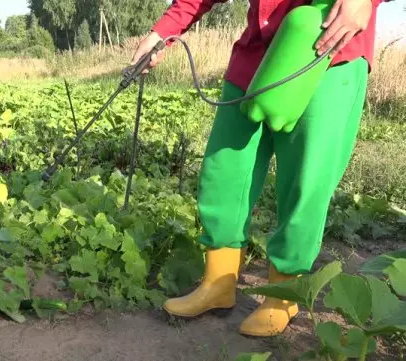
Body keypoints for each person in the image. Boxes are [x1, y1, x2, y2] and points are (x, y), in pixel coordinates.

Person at [131, 0, 392, 337]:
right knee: (224, 170)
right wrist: (162, 32)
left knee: (305, 179)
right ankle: (218, 284)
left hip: (327, 48)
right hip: (257, 53)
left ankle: (284, 295)